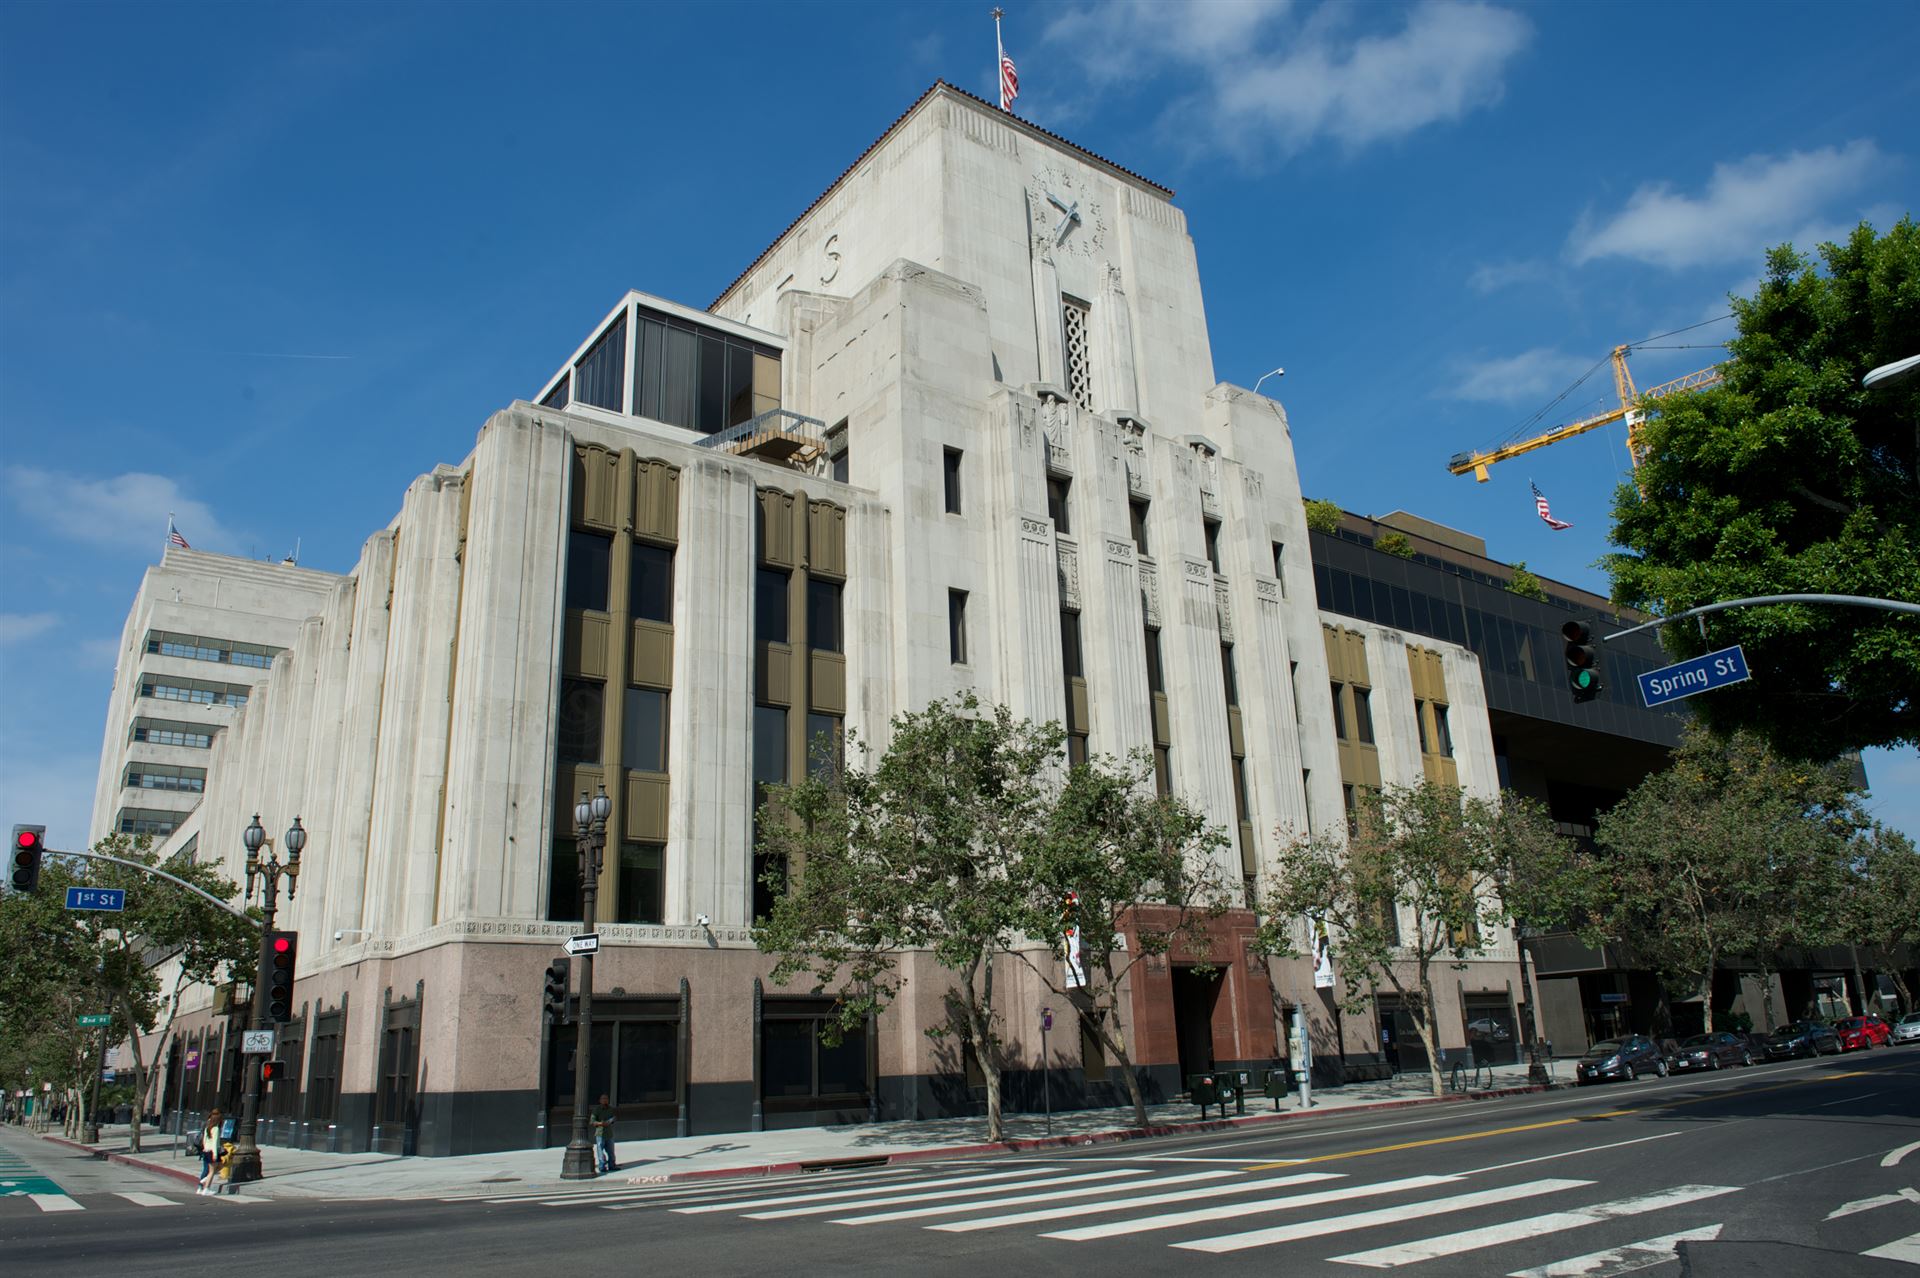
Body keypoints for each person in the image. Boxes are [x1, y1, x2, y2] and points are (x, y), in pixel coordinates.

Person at [196, 1109, 224, 1195]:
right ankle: (206, 1188)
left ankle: (204, 1181)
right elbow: (215, 1142)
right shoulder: (215, 1129)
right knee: (212, 1171)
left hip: (206, 1150)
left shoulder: (207, 1127)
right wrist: (215, 1154)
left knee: (219, 1166)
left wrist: (204, 1148)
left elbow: (204, 1140)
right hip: (212, 1151)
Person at [589, 1094, 616, 1174]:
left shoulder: (610, 1109)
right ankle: (602, 1166)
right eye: (603, 1099)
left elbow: (613, 1118)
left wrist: (612, 1120)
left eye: (606, 1099)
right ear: (600, 1100)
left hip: (609, 1133)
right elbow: (592, 1121)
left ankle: (611, 1165)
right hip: (600, 1133)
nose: (605, 1100)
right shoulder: (596, 1110)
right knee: (600, 1150)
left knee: (611, 1150)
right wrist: (601, 1123)